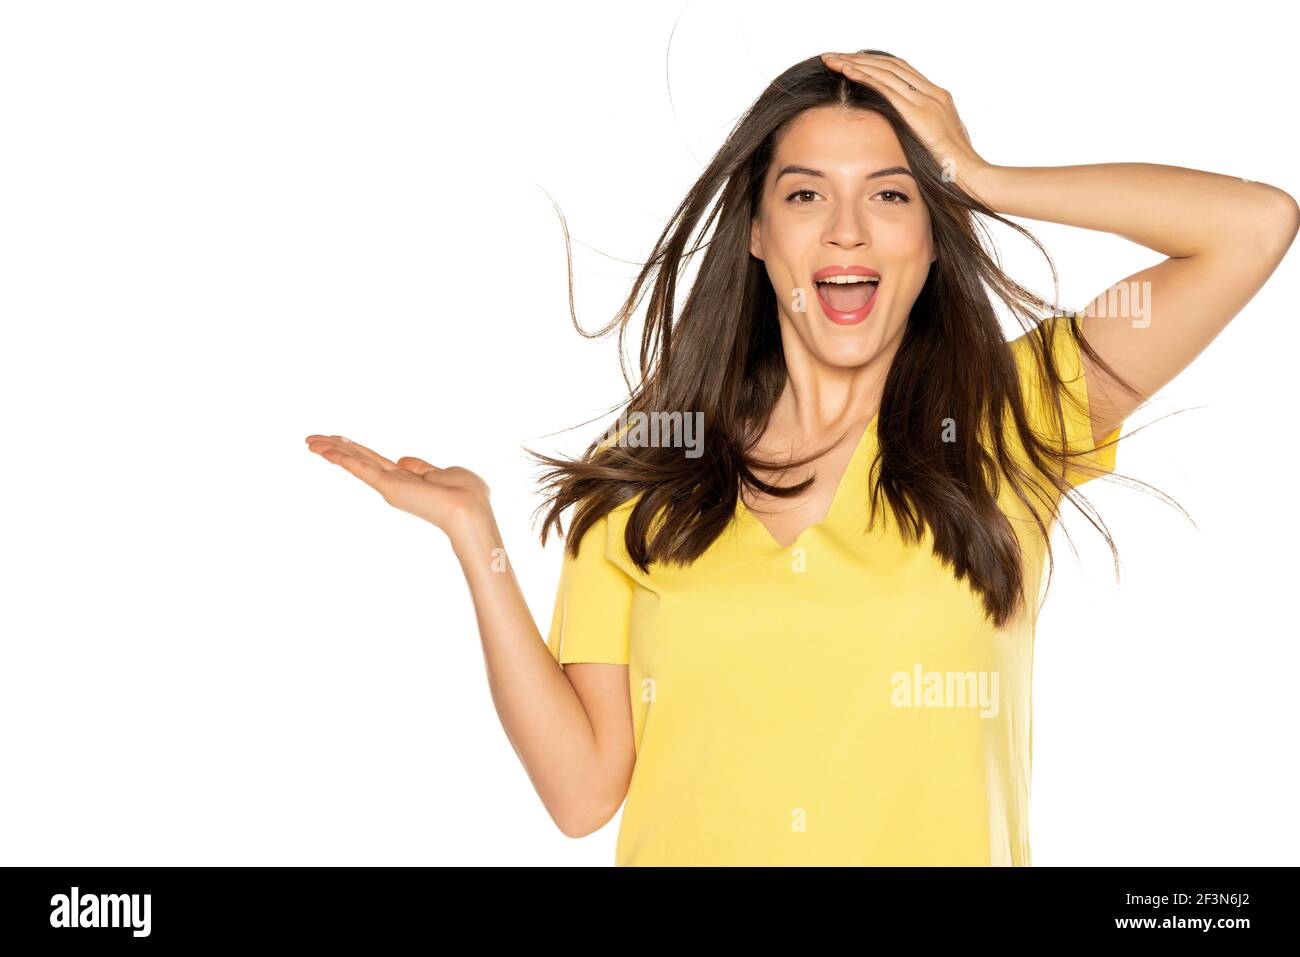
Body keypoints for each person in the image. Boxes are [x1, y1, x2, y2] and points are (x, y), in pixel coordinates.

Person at [304, 50, 1298, 865]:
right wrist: (474, 537)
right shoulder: (651, 466)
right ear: (756, 233)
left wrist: (984, 176)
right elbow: (580, 794)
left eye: (893, 195)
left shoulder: (1008, 418)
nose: (847, 229)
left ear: (929, 235)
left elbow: (1252, 229)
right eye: (806, 193)